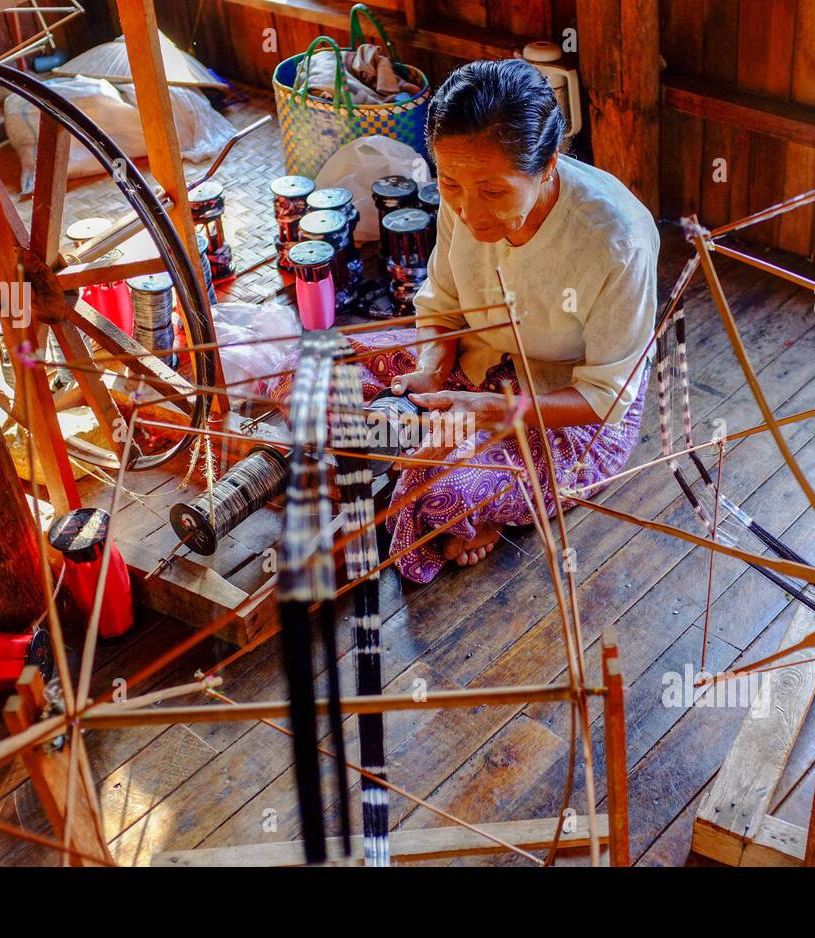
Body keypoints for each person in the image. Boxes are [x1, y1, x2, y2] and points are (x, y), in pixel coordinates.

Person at [271, 57, 660, 584]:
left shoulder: (616, 241)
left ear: (548, 165)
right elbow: (444, 301)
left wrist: (495, 412)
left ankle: (463, 499)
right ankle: (424, 458)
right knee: (306, 369)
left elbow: (606, 399)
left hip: (562, 406)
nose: (469, 212)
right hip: (471, 364)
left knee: (447, 493)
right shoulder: (464, 190)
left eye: (494, 192)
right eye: (450, 185)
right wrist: (433, 366)